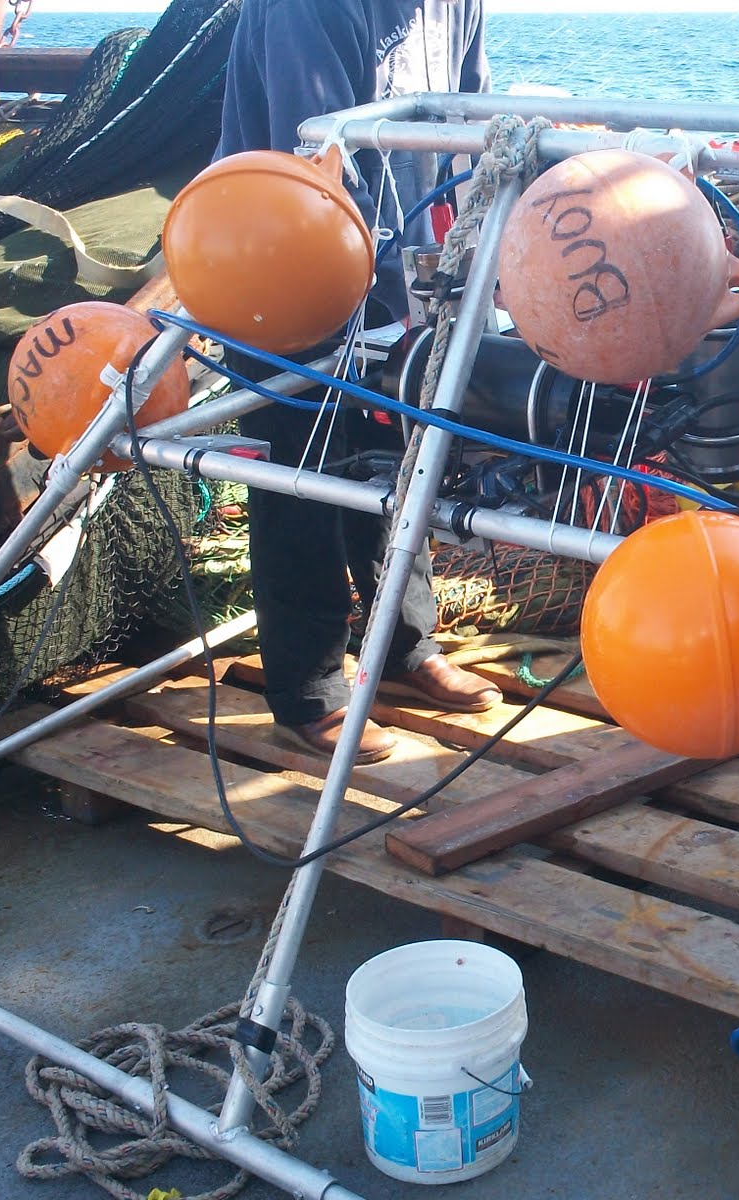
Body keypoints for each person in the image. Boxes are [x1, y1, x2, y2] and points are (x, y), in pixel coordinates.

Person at [217, 0, 501, 763]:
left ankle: (405, 648)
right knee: (302, 479)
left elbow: (474, 127)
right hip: (280, 271)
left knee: (393, 466)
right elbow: (317, 154)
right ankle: (309, 691)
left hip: (396, 282)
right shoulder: (306, 10)